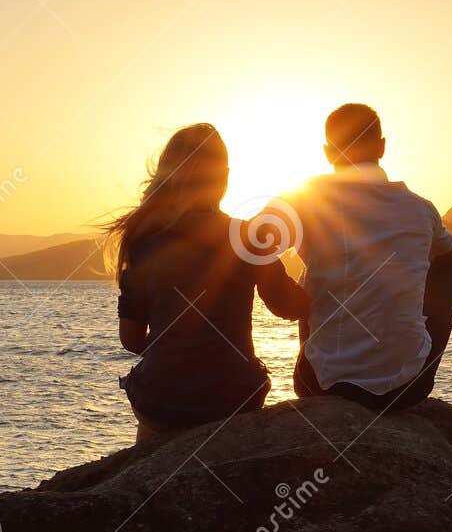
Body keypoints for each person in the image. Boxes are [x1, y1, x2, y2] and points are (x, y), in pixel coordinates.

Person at [247, 103, 452, 411]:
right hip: (407, 387)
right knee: (446, 274)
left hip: (321, 384)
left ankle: (334, 355)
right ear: (382, 147)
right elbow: (451, 259)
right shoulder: (421, 208)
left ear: (328, 152)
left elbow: (253, 240)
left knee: (312, 272)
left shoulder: (306, 199)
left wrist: (283, 296)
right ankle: (403, 353)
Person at [107, 123, 308, 442]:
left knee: (153, 435)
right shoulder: (248, 237)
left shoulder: (143, 241)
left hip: (162, 402)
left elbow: (131, 340)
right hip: (233, 399)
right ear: (225, 177)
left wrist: (176, 353)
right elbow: (289, 306)